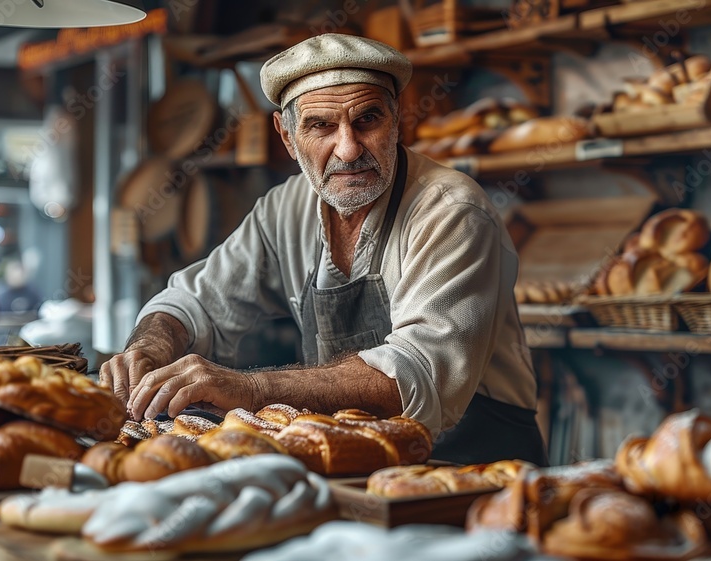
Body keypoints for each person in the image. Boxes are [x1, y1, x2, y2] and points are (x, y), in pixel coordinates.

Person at [101, 34, 547, 466]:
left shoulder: (452, 211)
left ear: (398, 120)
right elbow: (193, 300)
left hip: (473, 466)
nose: (349, 149)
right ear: (288, 137)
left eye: (368, 120)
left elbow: (416, 374)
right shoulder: (284, 209)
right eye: (321, 126)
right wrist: (150, 348)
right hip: (354, 459)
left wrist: (250, 390)